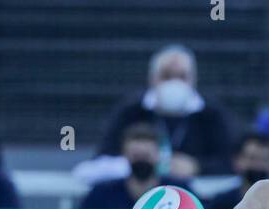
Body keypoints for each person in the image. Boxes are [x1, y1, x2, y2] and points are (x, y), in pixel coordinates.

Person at [97, 45, 232, 177]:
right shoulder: (132, 111)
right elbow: (105, 157)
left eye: (182, 77)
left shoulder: (211, 114)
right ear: (152, 79)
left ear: (193, 80)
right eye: (166, 76)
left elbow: (231, 160)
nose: (174, 83)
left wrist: (198, 166)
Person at [79, 124, 191, 209]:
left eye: (146, 155)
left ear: (158, 155)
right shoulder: (101, 195)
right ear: (125, 154)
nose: (141, 161)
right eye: (136, 156)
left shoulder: (179, 193)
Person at [203, 132, 269, 209]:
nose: (258, 165)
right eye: (252, 158)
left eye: (265, 159)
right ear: (237, 161)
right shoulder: (220, 204)